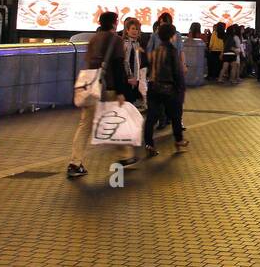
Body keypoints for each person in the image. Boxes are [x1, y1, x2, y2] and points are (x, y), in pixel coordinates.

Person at [67, 11, 137, 178]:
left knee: (85, 126)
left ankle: (75, 163)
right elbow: (118, 66)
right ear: (114, 23)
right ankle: (126, 155)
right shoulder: (116, 40)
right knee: (115, 120)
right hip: (107, 87)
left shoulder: (94, 39)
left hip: (91, 86)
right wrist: (121, 91)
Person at [144, 23, 189, 156]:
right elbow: (177, 72)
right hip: (168, 88)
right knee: (175, 115)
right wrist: (181, 89)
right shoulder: (172, 51)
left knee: (151, 118)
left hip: (153, 87)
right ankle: (179, 140)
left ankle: (148, 144)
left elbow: (150, 67)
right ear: (172, 36)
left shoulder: (156, 51)